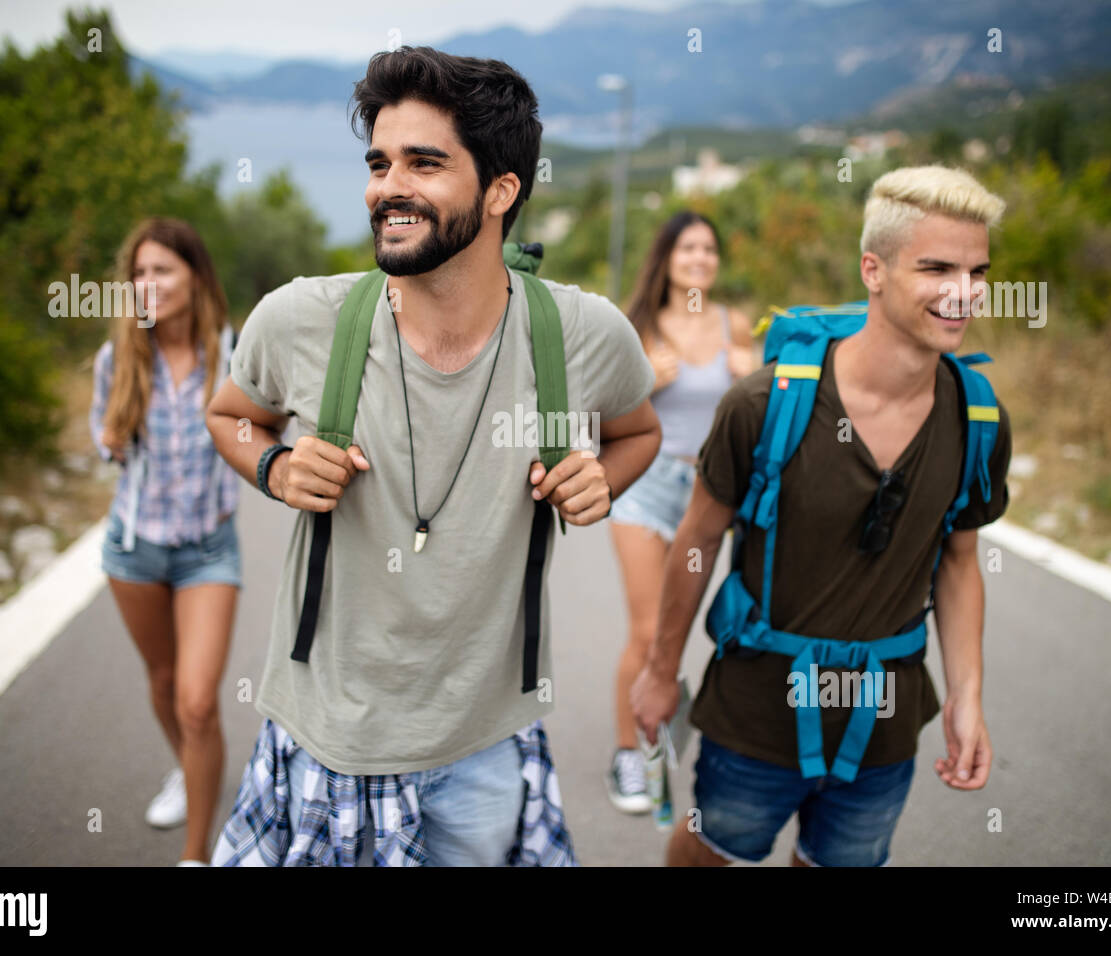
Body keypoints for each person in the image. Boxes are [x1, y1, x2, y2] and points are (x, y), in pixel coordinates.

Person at [204, 46, 660, 867]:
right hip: (326, 740)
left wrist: (601, 480)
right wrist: (274, 467)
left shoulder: (584, 334)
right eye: (379, 162)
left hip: (485, 747)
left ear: (500, 190)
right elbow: (232, 415)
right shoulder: (300, 318)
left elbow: (637, 432)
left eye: (423, 162)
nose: (388, 187)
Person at [632, 165, 1013, 866]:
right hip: (755, 716)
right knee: (710, 852)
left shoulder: (978, 415)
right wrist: (661, 670)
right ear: (874, 269)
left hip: (886, 727)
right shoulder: (763, 405)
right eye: (936, 268)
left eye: (977, 271)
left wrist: (967, 695)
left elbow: (960, 561)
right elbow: (698, 539)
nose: (964, 292)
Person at [89, 217, 241, 867]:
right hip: (134, 548)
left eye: (163, 271)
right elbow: (103, 436)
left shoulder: (232, 353)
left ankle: (195, 856)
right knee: (162, 680)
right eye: (140, 274)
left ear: (196, 277)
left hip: (208, 550)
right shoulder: (118, 358)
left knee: (199, 700)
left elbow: (267, 421)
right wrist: (110, 441)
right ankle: (189, 770)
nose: (149, 284)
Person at [606, 212, 757, 813]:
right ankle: (628, 756)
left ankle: (664, 732)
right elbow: (599, 414)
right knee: (646, 632)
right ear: (667, 258)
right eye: (688, 248)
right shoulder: (637, 326)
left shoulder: (735, 325)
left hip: (709, 494)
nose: (700, 258)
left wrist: (760, 376)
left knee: (682, 627)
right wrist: (642, 383)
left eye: (709, 249)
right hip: (644, 486)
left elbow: (763, 410)